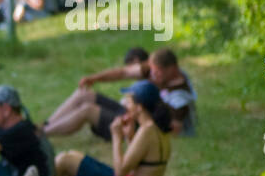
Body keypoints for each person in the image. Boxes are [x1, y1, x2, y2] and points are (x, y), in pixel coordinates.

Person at [53, 80, 172, 176]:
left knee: (65, 160)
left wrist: (116, 137)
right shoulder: (155, 129)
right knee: (72, 155)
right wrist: (129, 136)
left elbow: (120, 171)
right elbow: (137, 165)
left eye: (129, 101)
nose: (125, 104)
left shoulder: (146, 131)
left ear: (139, 107)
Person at [44, 46, 197, 137]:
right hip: (131, 110)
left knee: (88, 110)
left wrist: (140, 117)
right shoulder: (154, 70)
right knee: (84, 95)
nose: (152, 76)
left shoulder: (180, 96)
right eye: (152, 71)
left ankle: (43, 134)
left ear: (172, 69)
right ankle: (44, 125)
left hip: (137, 124)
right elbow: (123, 73)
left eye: (157, 73)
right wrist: (95, 78)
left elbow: (175, 129)